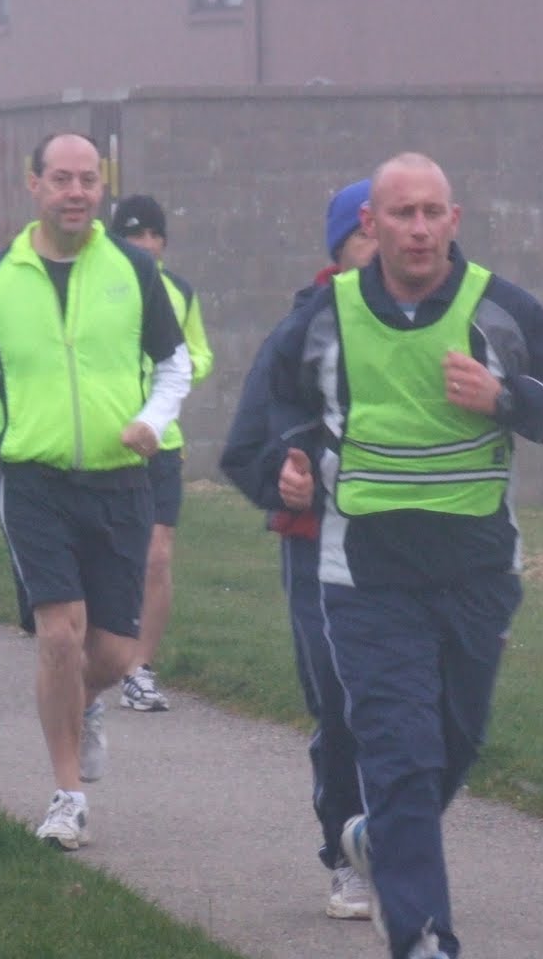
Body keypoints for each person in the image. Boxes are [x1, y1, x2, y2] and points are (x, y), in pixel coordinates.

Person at [233, 153, 543, 959]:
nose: (420, 229)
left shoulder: (499, 308)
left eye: (434, 213)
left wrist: (505, 399)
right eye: (403, 214)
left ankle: (377, 837)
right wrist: (288, 469)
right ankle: (425, 936)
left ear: (455, 220)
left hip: (477, 571)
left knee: (452, 747)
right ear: (372, 224)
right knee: (401, 751)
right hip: (367, 575)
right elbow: (269, 416)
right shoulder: (324, 317)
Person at [0, 132, 190, 851]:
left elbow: (174, 365)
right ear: (34, 185)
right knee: (58, 633)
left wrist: (151, 421)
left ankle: (86, 706)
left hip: (121, 479)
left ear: (101, 189)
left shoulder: (133, 271)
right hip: (33, 477)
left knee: (111, 654)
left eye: (88, 180)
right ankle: (67, 796)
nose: (76, 192)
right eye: (61, 179)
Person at [221, 177, 378, 921]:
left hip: (419, 550)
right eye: (368, 233)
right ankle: (348, 855)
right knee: (342, 703)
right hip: (320, 546)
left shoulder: (448, 324)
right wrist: (283, 482)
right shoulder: (302, 332)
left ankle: (395, 836)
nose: (387, 246)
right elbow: (247, 446)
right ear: (340, 248)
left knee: (418, 707)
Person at [107, 193, 213, 712]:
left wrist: (177, 373)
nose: (146, 245)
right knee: (110, 558)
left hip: (162, 444)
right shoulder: (103, 288)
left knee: (157, 555)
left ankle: (139, 669)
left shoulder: (180, 292)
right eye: (134, 235)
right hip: (110, 443)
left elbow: (200, 353)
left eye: (154, 235)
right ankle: (97, 655)